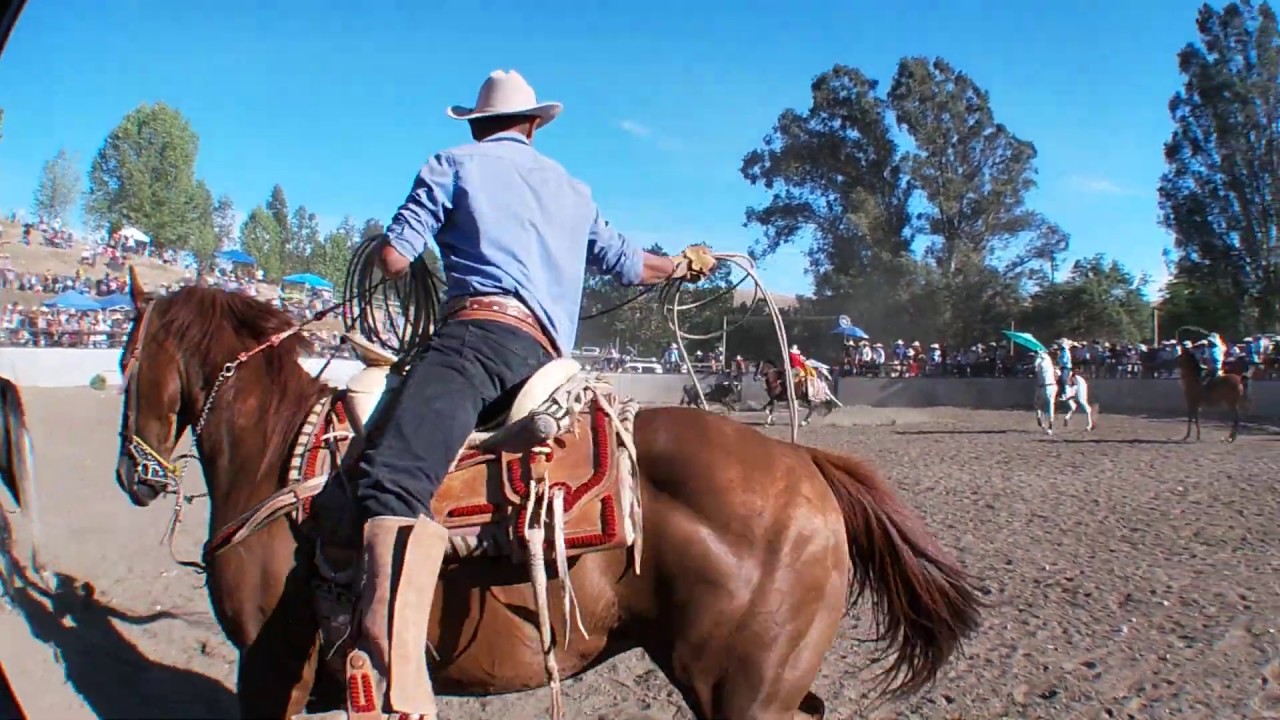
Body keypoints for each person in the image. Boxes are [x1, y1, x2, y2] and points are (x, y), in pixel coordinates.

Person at [313, 69, 718, 720]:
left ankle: (398, 680)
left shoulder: (451, 162)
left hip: (474, 340)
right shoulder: (573, 188)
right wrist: (686, 264)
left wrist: (394, 249)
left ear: (476, 123)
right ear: (533, 126)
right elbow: (631, 264)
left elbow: (393, 261)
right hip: (547, 357)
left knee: (389, 482)